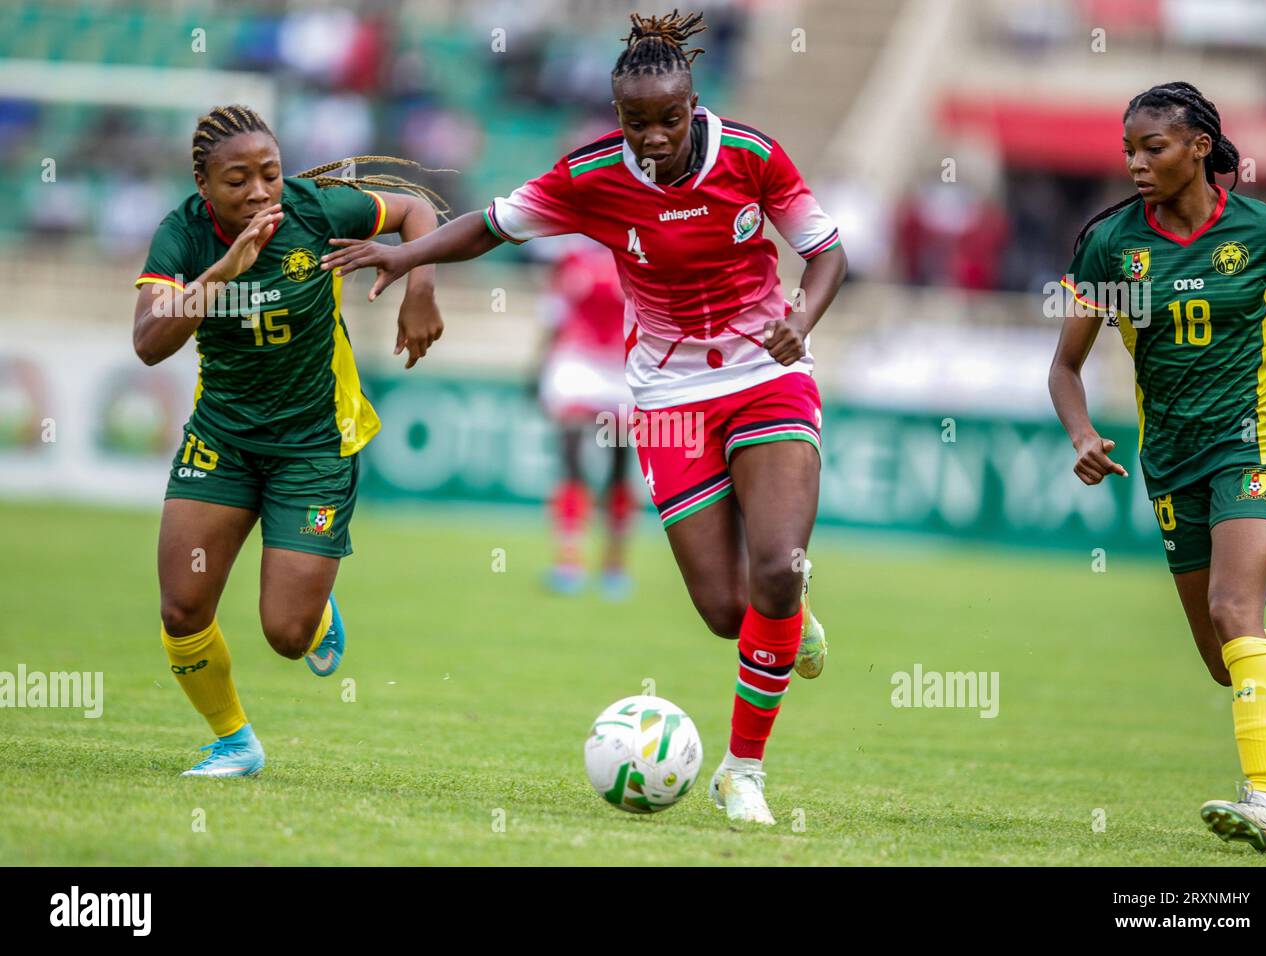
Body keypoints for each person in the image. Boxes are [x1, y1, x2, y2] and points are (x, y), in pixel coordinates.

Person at [322, 11, 847, 825]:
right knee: (724, 610)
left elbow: (827, 252)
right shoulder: (592, 175)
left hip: (768, 377)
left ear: (694, 105)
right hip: (668, 402)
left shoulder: (753, 156)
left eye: (669, 119)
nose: (654, 137)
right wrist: (408, 254)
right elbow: (490, 225)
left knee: (777, 566)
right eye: (636, 122)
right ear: (617, 116)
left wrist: (801, 322)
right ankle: (787, 617)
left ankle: (743, 771)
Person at [132, 105, 446, 777]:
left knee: (286, 634)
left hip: (313, 446)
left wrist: (420, 285)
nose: (258, 193)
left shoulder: (315, 209)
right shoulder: (181, 235)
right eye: (237, 180)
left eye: (269, 174)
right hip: (222, 439)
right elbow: (149, 344)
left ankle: (309, 598)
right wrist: (222, 270)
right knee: (182, 606)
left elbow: (417, 211)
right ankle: (233, 741)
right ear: (203, 183)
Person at [1050, 82, 1266, 854]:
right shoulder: (1113, 246)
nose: (1135, 163)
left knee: (1234, 610)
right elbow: (1065, 368)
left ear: (1199, 147)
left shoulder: (1264, 231)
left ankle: (1265, 803)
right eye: (1127, 149)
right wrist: (1084, 433)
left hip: (1258, 447)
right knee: (1227, 660)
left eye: (1151, 147)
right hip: (1170, 462)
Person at [536, 238, 637, 598]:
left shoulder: (637, 251)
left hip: (622, 371)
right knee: (572, 461)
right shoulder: (570, 255)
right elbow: (555, 314)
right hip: (576, 364)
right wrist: (538, 369)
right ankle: (569, 560)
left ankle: (614, 563)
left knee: (618, 470)